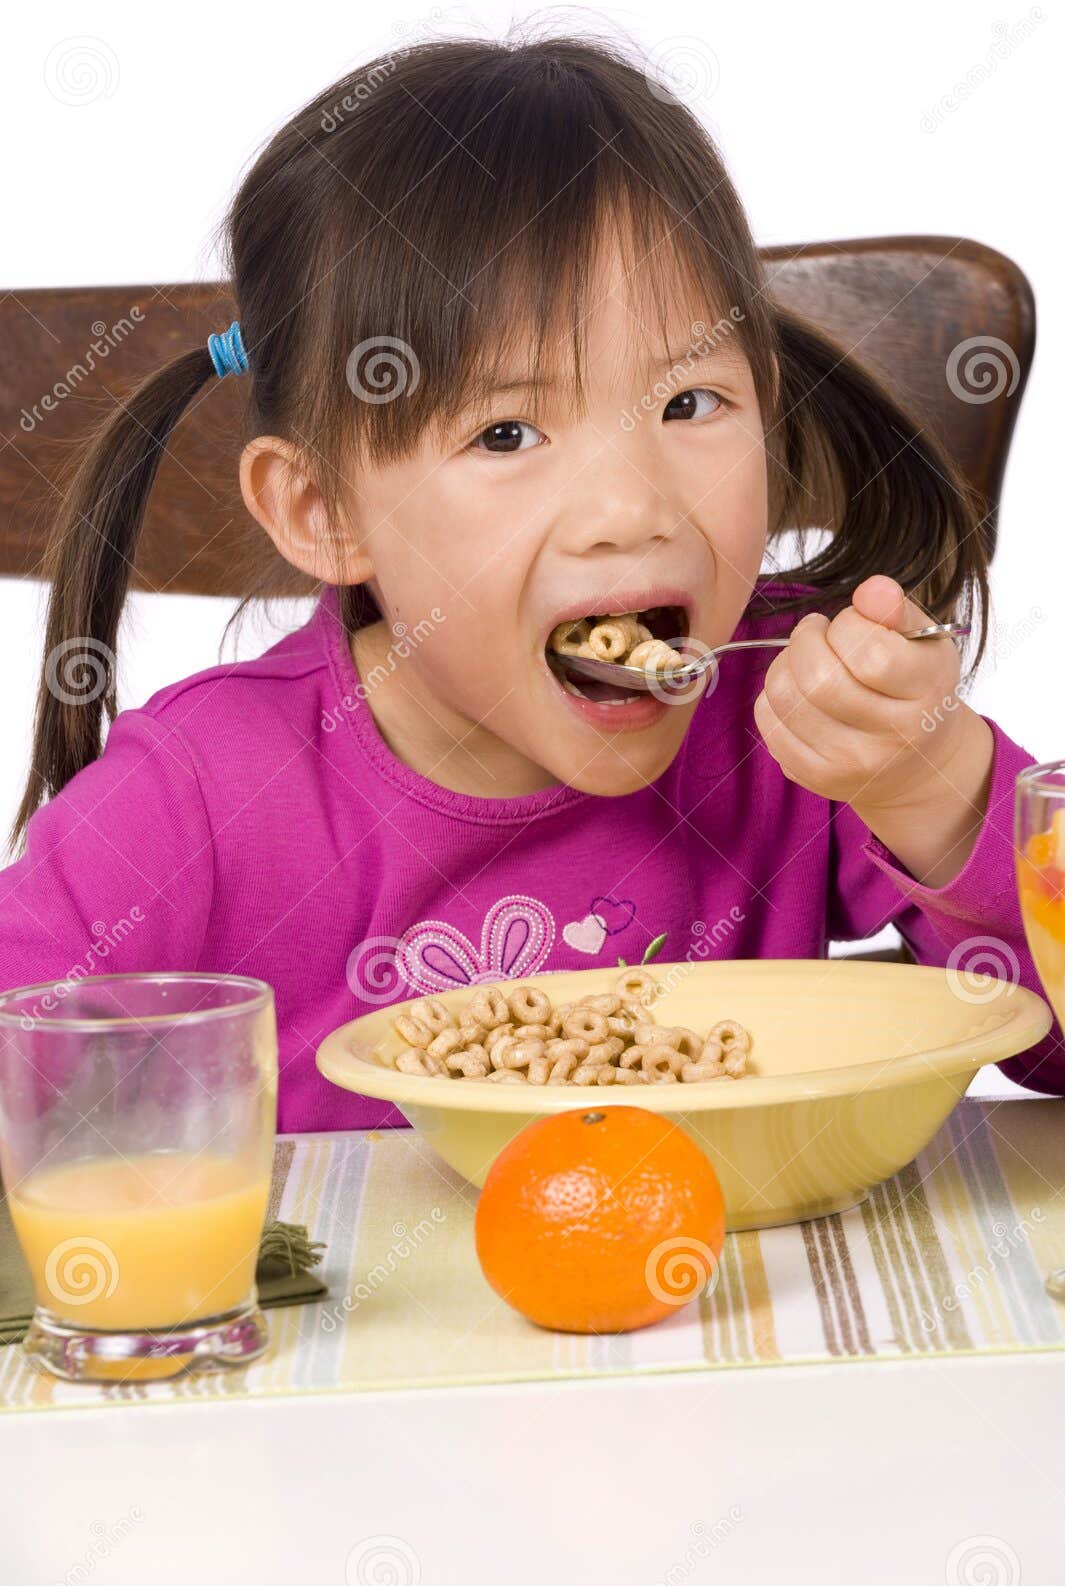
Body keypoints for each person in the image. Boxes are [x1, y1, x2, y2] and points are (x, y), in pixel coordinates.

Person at [2, 34, 1060, 1131]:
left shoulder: (796, 725)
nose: (633, 508)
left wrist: (938, 787)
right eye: (507, 432)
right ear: (326, 512)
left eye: (690, 403)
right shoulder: (200, 798)